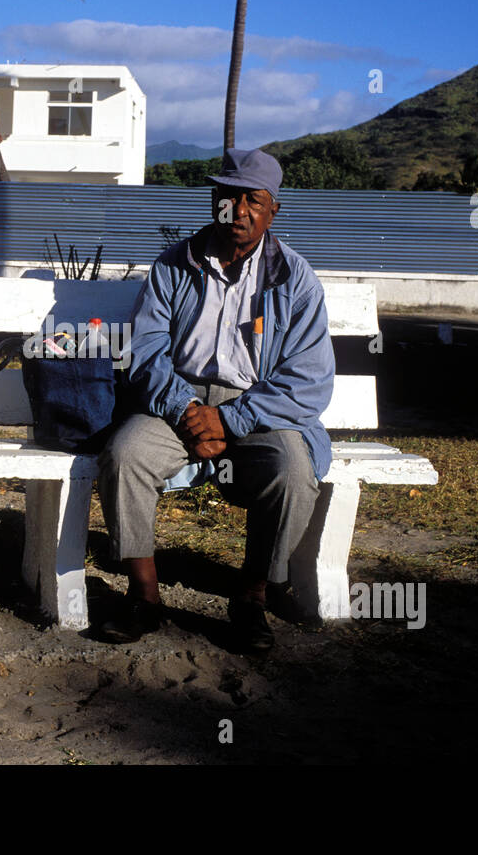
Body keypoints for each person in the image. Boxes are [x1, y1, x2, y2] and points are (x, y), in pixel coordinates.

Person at [98, 147, 335, 652]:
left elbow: (308, 380)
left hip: (258, 408)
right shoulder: (173, 266)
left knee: (293, 470)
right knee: (127, 453)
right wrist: (186, 411)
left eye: (254, 200)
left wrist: (229, 419)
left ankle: (251, 597)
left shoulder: (296, 279)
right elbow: (145, 352)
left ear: (273, 210)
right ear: (214, 202)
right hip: (175, 403)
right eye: (229, 198)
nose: (239, 211)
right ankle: (144, 597)